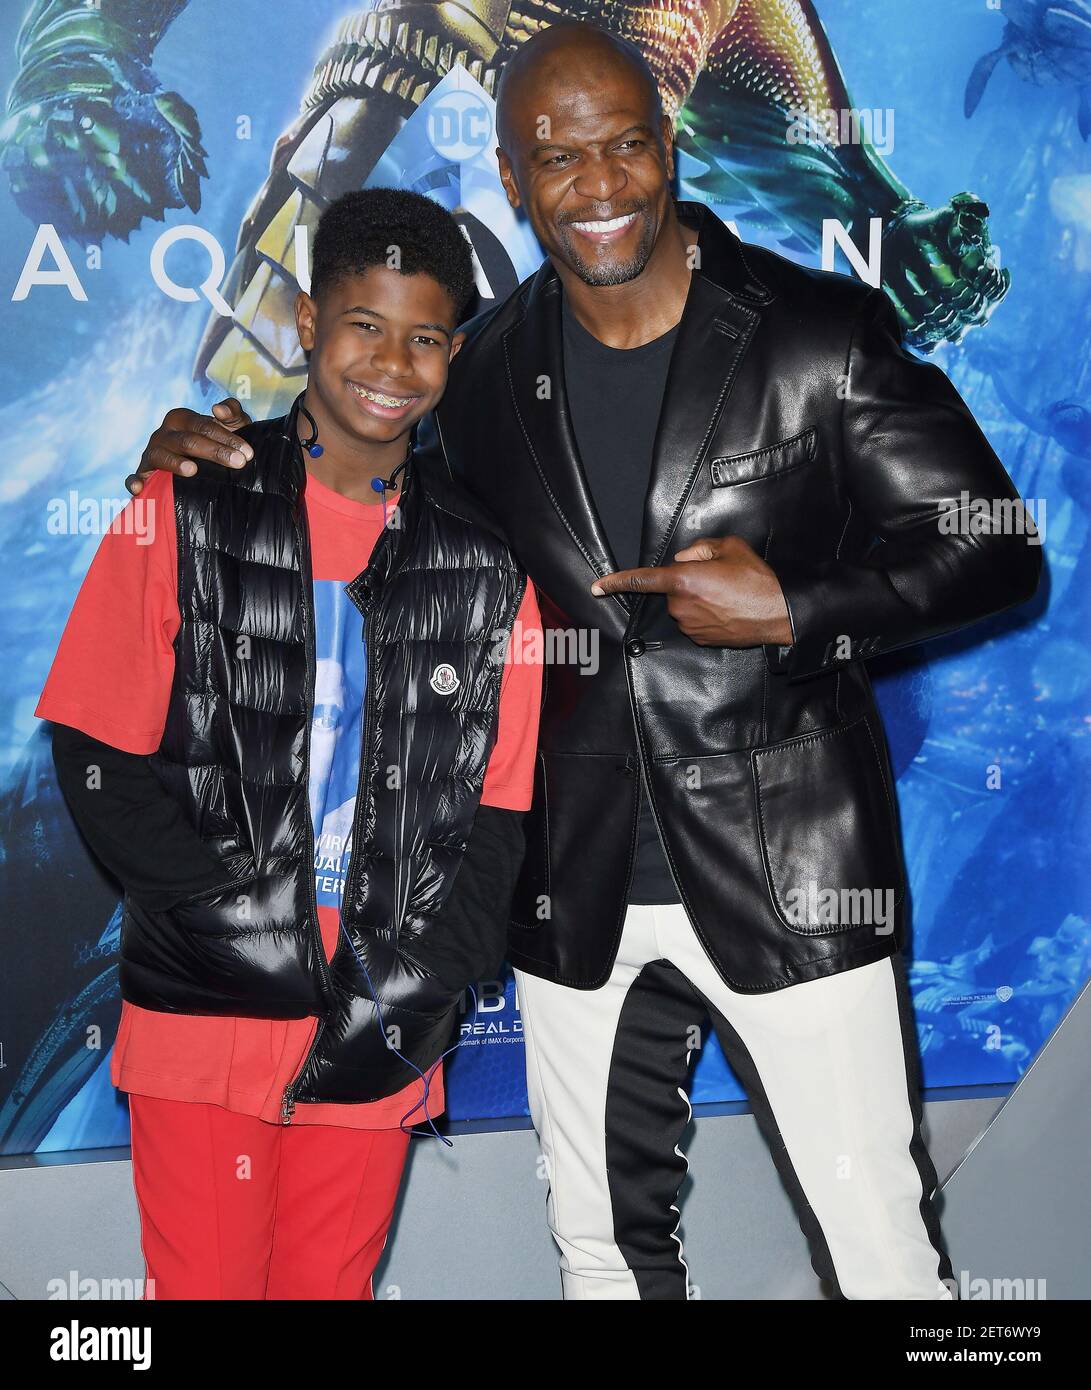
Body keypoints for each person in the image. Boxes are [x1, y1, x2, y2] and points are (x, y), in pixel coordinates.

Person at [126, 23, 1042, 1300]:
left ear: (668, 144)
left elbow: (995, 552)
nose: (597, 183)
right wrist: (218, 450)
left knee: (884, 1256)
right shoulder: (484, 367)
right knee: (603, 1259)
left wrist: (796, 607)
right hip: (573, 889)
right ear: (512, 175)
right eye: (556, 155)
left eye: (622, 144)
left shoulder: (815, 332)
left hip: (792, 873)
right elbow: (362, 482)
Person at [37, 187, 542, 1300]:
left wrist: (430, 973)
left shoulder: (484, 563)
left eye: (424, 338)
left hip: (378, 1009)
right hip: (208, 1007)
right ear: (308, 320)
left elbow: (495, 811)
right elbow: (93, 743)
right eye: (364, 324)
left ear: (453, 353)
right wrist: (223, 919)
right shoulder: (185, 504)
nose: (391, 362)